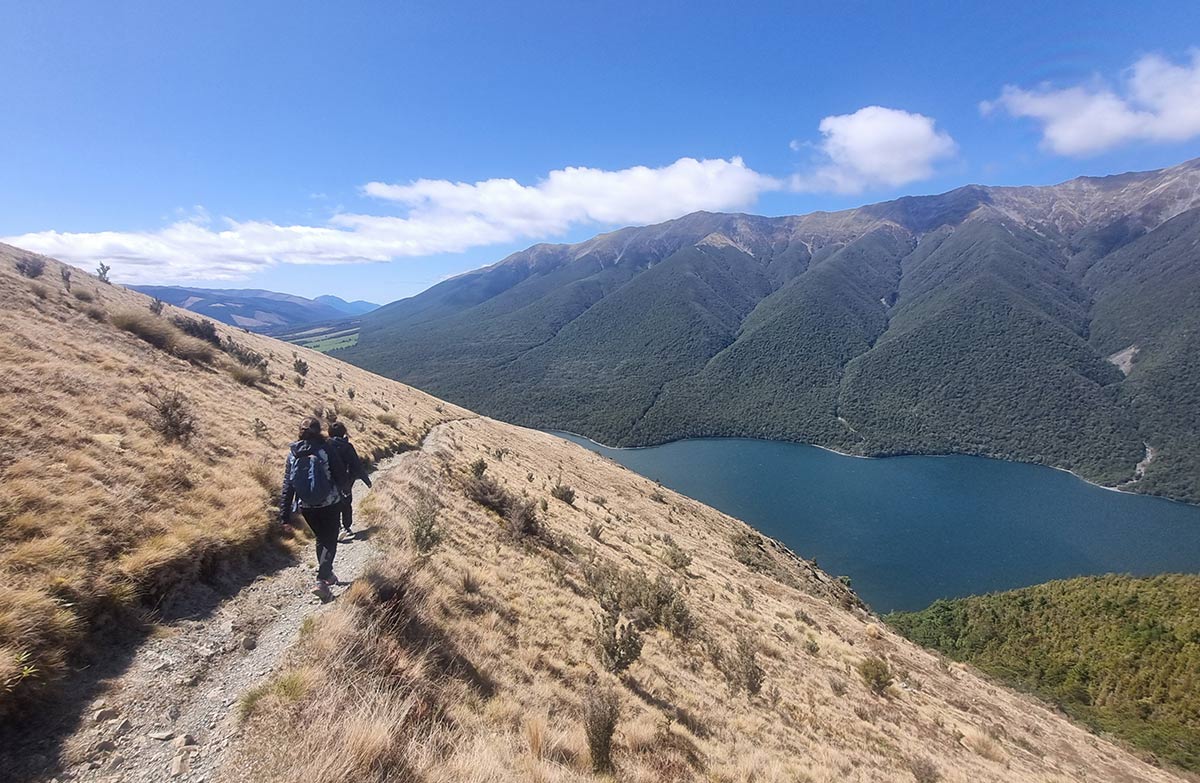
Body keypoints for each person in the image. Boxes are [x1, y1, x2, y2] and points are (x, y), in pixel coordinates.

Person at [279, 417, 349, 601]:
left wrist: (284, 517)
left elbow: (288, 486)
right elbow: (340, 473)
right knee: (330, 540)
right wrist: (345, 491)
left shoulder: (293, 453)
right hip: (329, 502)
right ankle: (321, 580)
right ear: (319, 431)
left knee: (321, 538)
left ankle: (328, 575)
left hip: (306, 506)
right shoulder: (326, 448)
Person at [327, 421, 372, 540]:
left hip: (330, 480)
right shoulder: (348, 447)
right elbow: (356, 465)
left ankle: (336, 528)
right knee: (346, 503)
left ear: (329, 433)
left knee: (333, 504)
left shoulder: (326, 446)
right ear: (343, 432)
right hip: (346, 480)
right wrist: (366, 480)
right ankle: (346, 527)